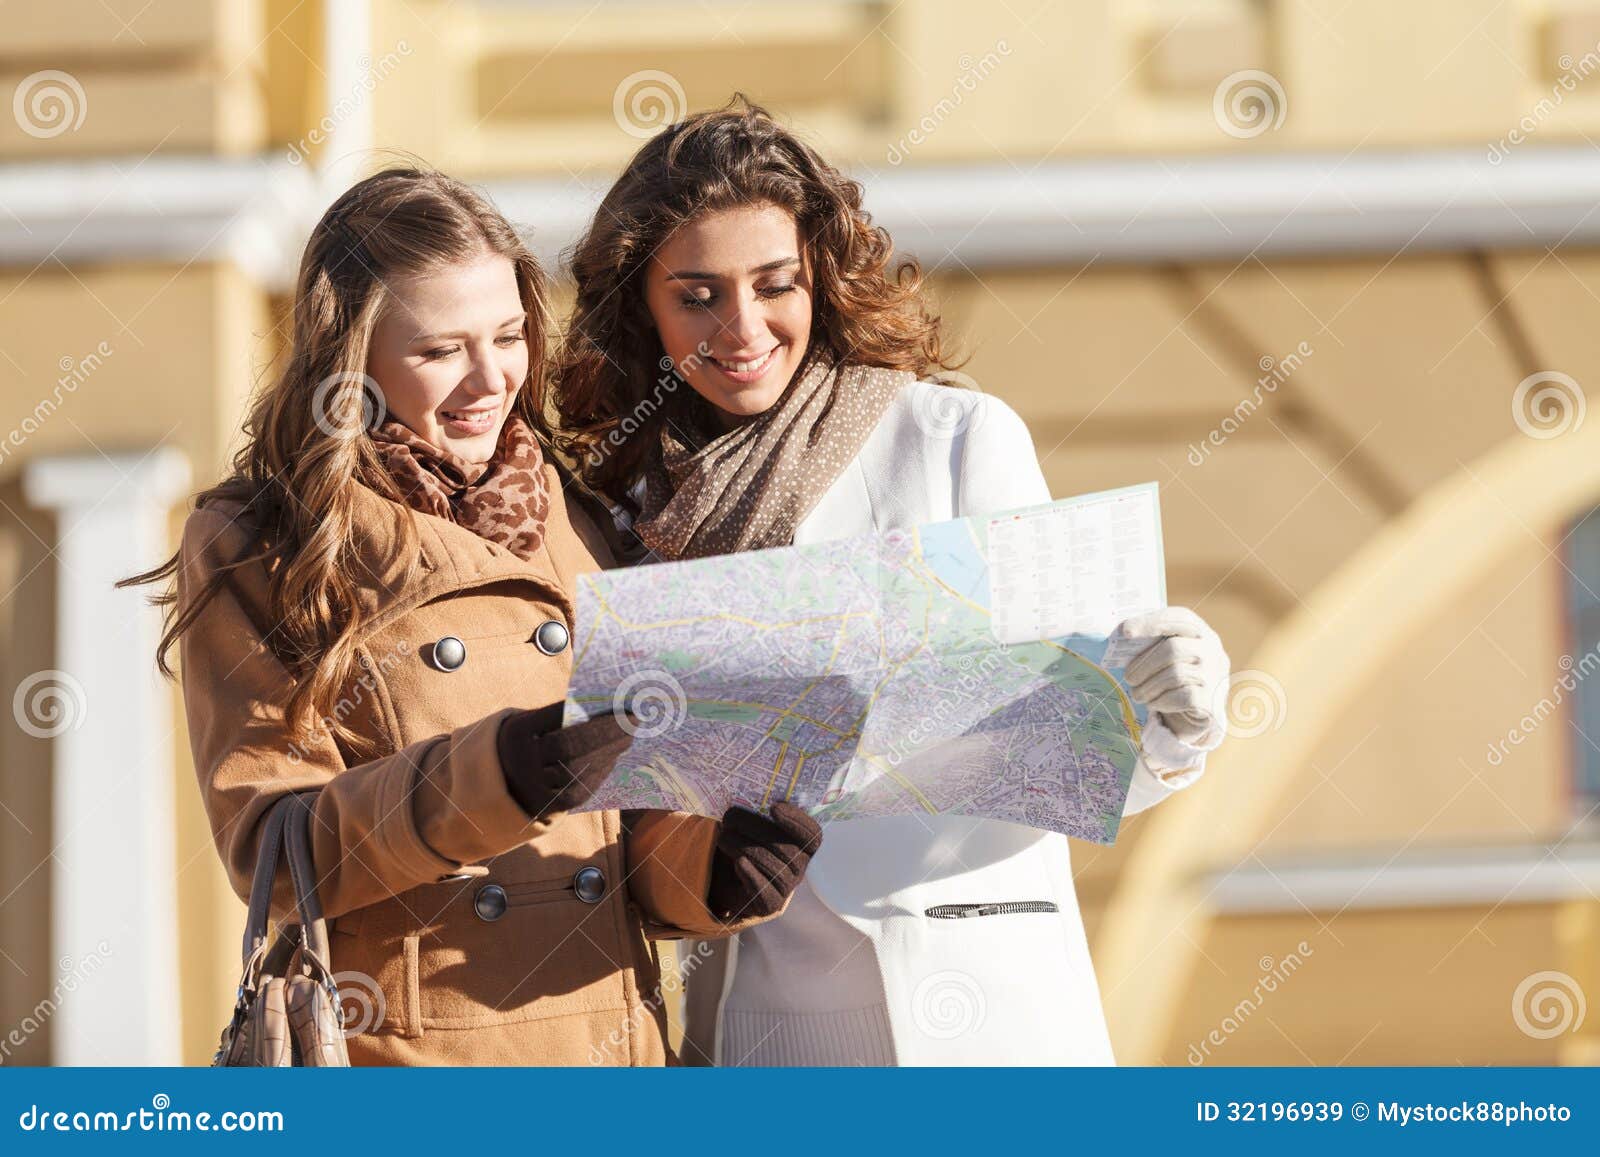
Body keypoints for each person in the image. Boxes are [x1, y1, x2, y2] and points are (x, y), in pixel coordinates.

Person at [551, 101, 1231, 1065]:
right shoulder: (622, 512)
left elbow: (1087, 729)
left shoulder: (952, 440)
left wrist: (1173, 714)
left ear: (818, 280)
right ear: (643, 310)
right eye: (697, 296)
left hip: (983, 1007)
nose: (742, 327)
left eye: (773, 284)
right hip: (765, 1016)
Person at [120, 167, 821, 1066]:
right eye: (441, 350)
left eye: (508, 335)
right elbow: (273, 852)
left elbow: (620, 852)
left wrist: (715, 870)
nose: (490, 380)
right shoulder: (263, 541)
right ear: (352, 361)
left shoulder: (578, 515)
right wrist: (498, 776)